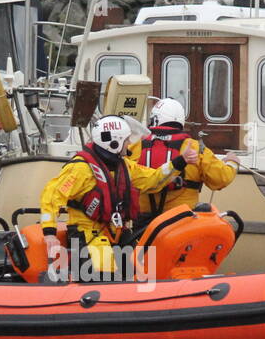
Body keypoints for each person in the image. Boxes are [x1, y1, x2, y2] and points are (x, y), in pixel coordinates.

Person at [39, 115, 190, 279]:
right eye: (126, 140)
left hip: (117, 233)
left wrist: (179, 162)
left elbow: (153, 180)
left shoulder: (124, 166)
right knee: (104, 275)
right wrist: (49, 232)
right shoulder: (80, 169)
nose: (129, 144)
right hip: (88, 235)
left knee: (145, 269)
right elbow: (52, 196)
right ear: (114, 142)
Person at [127, 97, 240, 223]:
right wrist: (232, 162)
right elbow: (220, 179)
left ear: (154, 119)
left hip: (142, 223)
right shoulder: (194, 148)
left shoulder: (136, 147)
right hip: (181, 221)